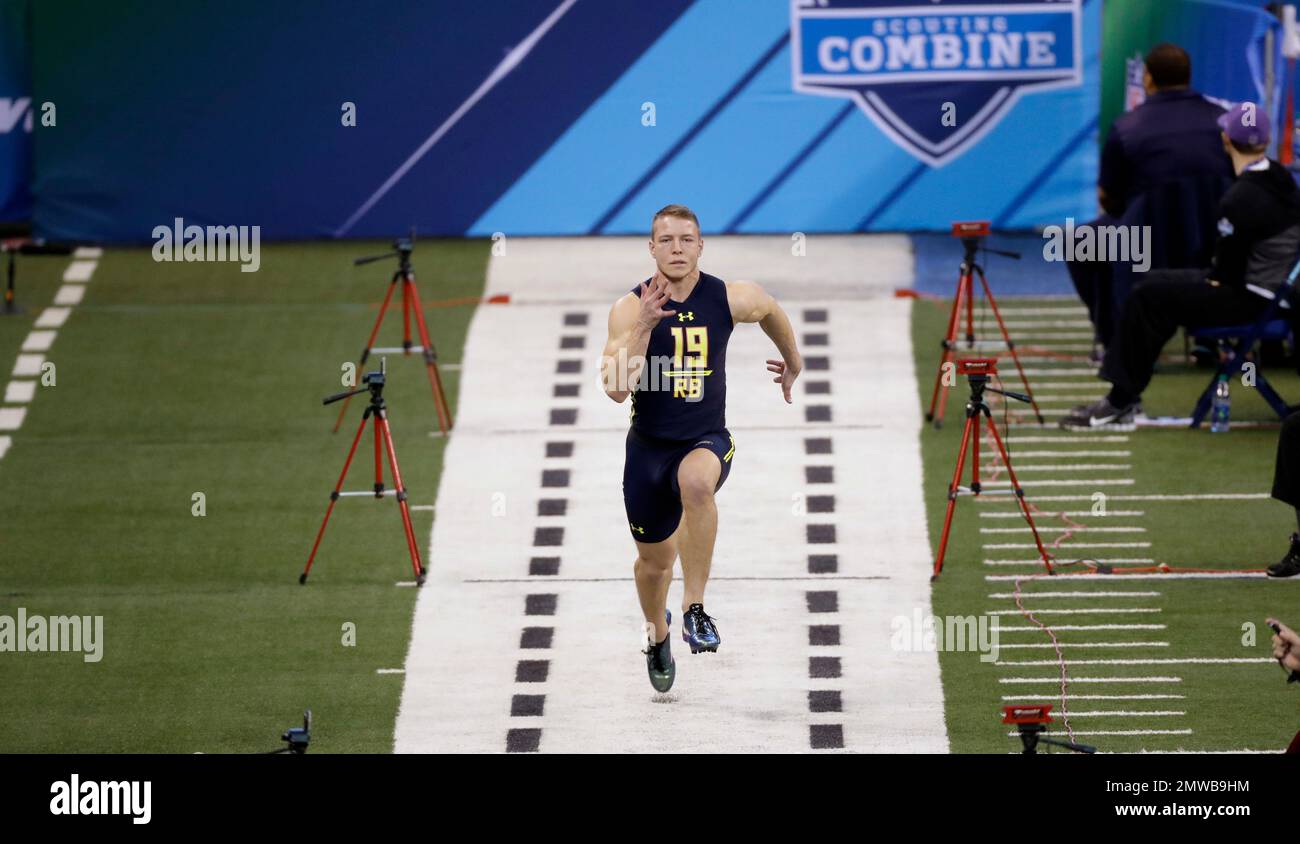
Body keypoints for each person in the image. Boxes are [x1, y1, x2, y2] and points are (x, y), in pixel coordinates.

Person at [600, 204, 802, 692]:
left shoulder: (730, 297)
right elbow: (614, 388)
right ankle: (658, 634)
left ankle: (695, 608)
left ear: (700, 246)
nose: (676, 248)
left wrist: (792, 360)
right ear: (651, 248)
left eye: (685, 240)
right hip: (647, 450)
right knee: (653, 566)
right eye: (665, 240)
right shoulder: (629, 308)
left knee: (696, 482)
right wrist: (645, 327)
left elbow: (771, 308)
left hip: (706, 438)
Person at [1062, 102, 1300, 431]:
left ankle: (1120, 400)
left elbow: (1224, 275)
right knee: (1154, 285)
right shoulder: (1279, 177)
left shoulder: (1240, 197)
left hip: (1252, 296)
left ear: (1226, 140)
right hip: (1275, 290)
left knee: (1148, 296)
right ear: (1265, 140)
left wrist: (1205, 276)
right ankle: (1122, 395)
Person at [1068, 43, 1232, 353]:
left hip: (1144, 249)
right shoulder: (1225, 120)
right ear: (1189, 76)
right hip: (1215, 244)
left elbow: (1107, 197)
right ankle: (1208, 338)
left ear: (1149, 79)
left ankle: (1114, 338)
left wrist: (1138, 215)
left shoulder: (1127, 127)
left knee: (1081, 243)